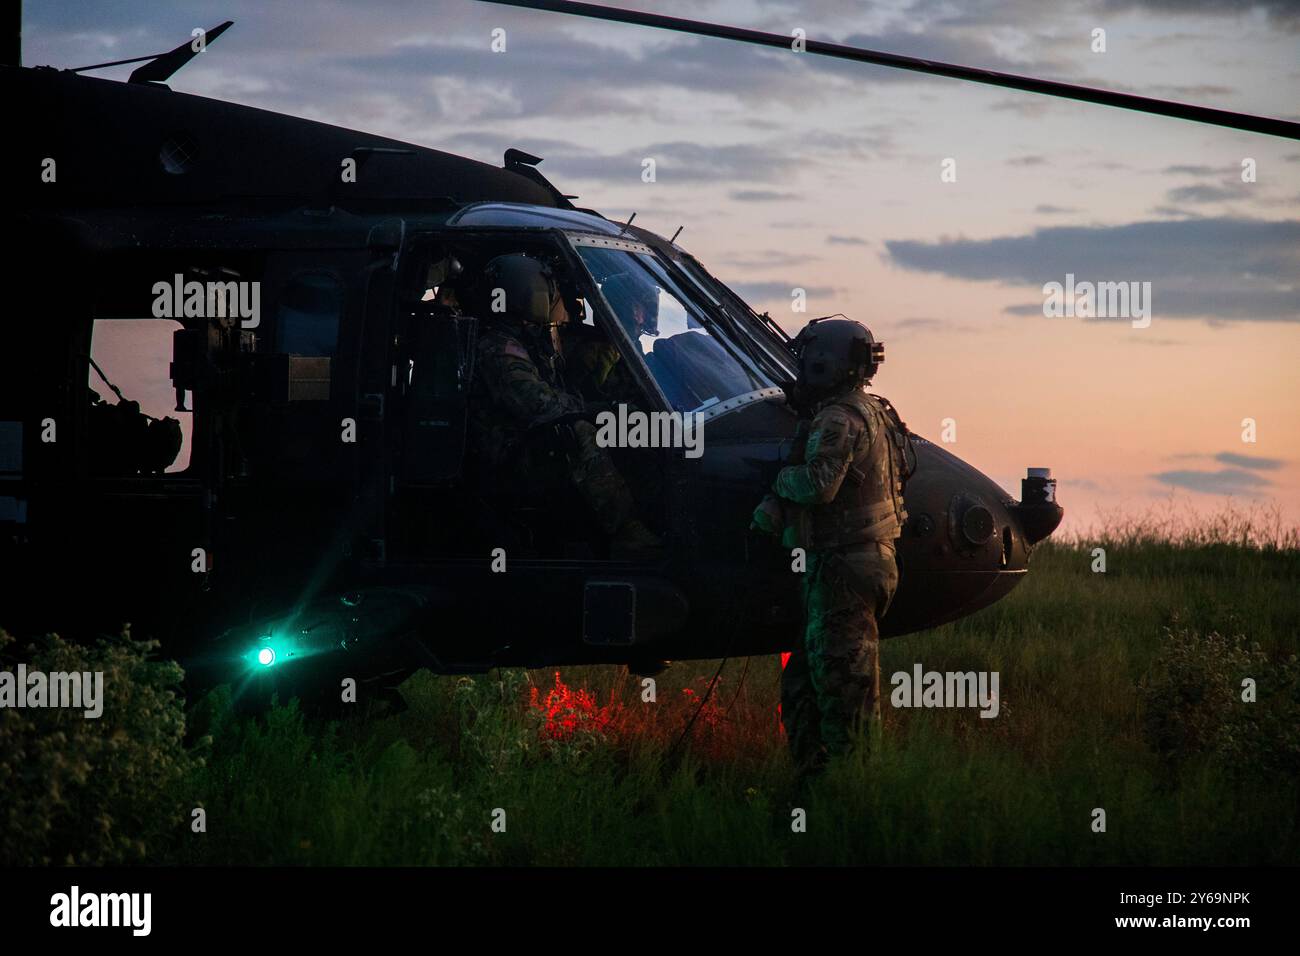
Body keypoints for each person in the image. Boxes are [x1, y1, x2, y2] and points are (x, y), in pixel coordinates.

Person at [751, 317, 913, 779]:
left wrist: (780, 480)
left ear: (826, 363)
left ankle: (853, 789)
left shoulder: (838, 418)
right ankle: (814, 782)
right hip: (861, 562)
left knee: (844, 690)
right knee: (806, 683)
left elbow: (819, 485)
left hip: (844, 566)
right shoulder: (874, 411)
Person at [466, 253, 662, 557]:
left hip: (531, 436)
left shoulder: (532, 340)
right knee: (579, 432)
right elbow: (539, 405)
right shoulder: (498, 349)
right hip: (508, 448)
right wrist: (598, 411)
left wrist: (612, 411)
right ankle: (626, 532)